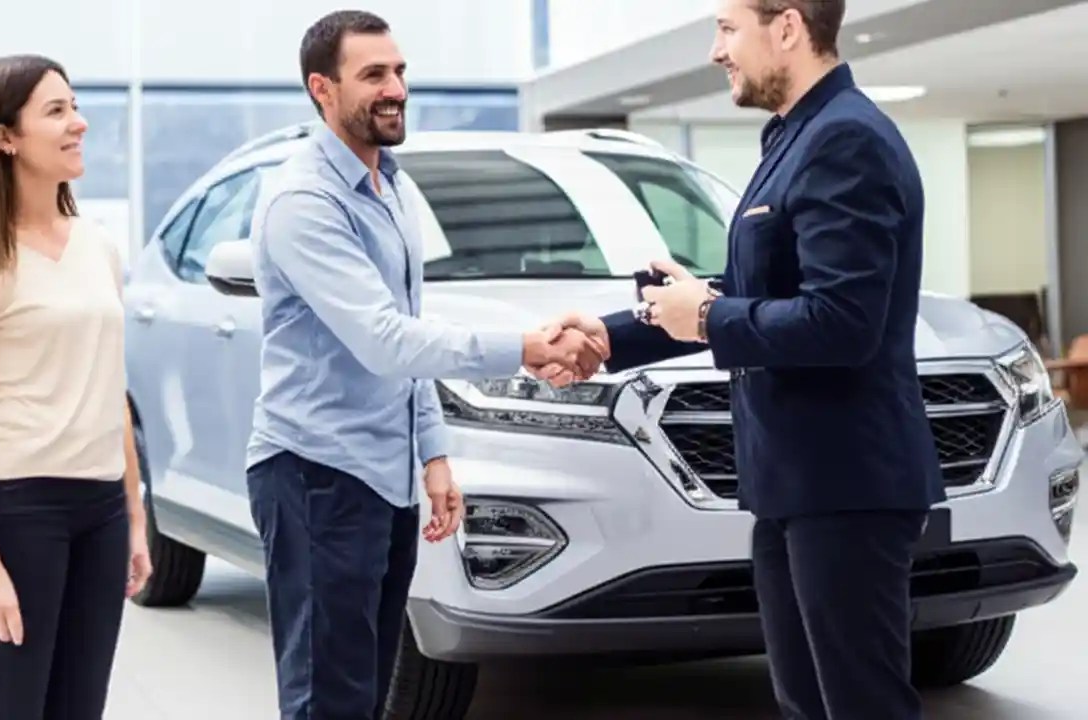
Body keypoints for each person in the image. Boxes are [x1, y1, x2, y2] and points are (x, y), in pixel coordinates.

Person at [544, 1, 941, 718]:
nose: (716, 50)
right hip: (793, 486)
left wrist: (705, 315)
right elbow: (756, 294)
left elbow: (842, 323)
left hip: (846, 487)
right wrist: (614, 335)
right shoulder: (795, 136)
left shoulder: (846, 139)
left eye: (728, 29)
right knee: (805, 704)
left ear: (787, 27)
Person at [244, 10, 604, 719]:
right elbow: (387, 340)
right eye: (373, 74)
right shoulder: (303, 201)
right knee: (328, 701)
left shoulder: (393, 185)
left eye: (400, 71)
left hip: (383, 478)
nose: (396, 88)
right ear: (322, 89)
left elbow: (406, 330)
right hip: (317, 475)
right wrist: (526, 348)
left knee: (369, 692)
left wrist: (432, 456)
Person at [0, 54, 152, 719]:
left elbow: (110, 390)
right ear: (5, 137)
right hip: (16, 512)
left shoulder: (97, 245)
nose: (79, 123)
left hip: (100, 511)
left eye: (75, 106)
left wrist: (134, 518)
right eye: (56, 111)